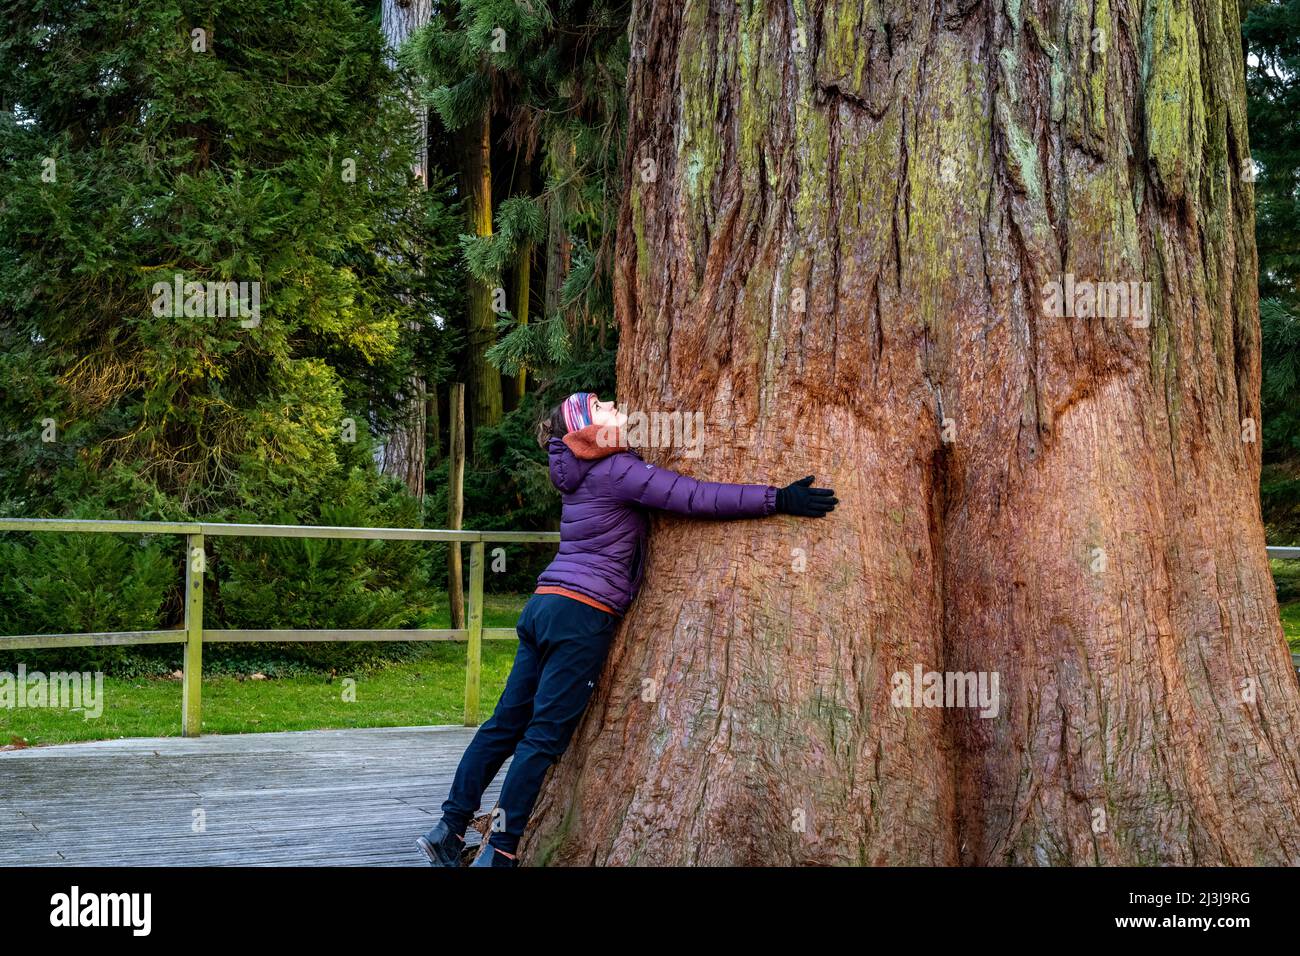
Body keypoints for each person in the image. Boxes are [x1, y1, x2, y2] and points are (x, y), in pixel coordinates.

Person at [417, 392, 837, 866]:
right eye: (598, 404)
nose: (614, 402)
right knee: (540, 738)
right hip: (580, 614)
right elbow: (694, 496)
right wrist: (778, 498)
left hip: (544, 606)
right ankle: (501, 853)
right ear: (586, 430)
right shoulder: (618, 470)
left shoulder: (578, 473)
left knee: (503, 726)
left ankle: (448, 829)